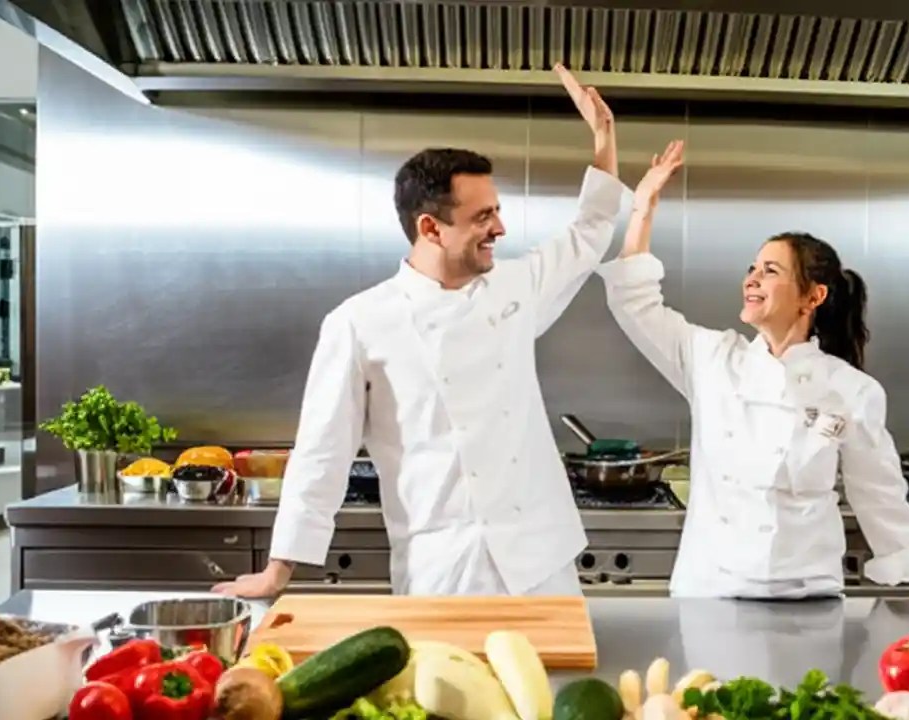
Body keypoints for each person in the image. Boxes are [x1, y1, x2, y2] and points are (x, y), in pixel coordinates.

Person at [213, 66, 652, 597]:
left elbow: (587, 234)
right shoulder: (359, 322)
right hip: (445, 570)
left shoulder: (515, 286)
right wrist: (276, 571)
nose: (500, 229)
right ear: (430, 227)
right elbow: (321, 454)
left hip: (543, 566)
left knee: (557, 683)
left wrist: (604, 141)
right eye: (483, 216)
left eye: (498, 211)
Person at [596, 141, 909, 599]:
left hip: (807, 595)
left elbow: (880, 494)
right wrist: (643, 209)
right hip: (710, 592)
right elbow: (634, 302)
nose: (752, 278)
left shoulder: (852, 391)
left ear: (813, 297)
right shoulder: (709, 358)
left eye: (770, 271)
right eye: (752, 268)